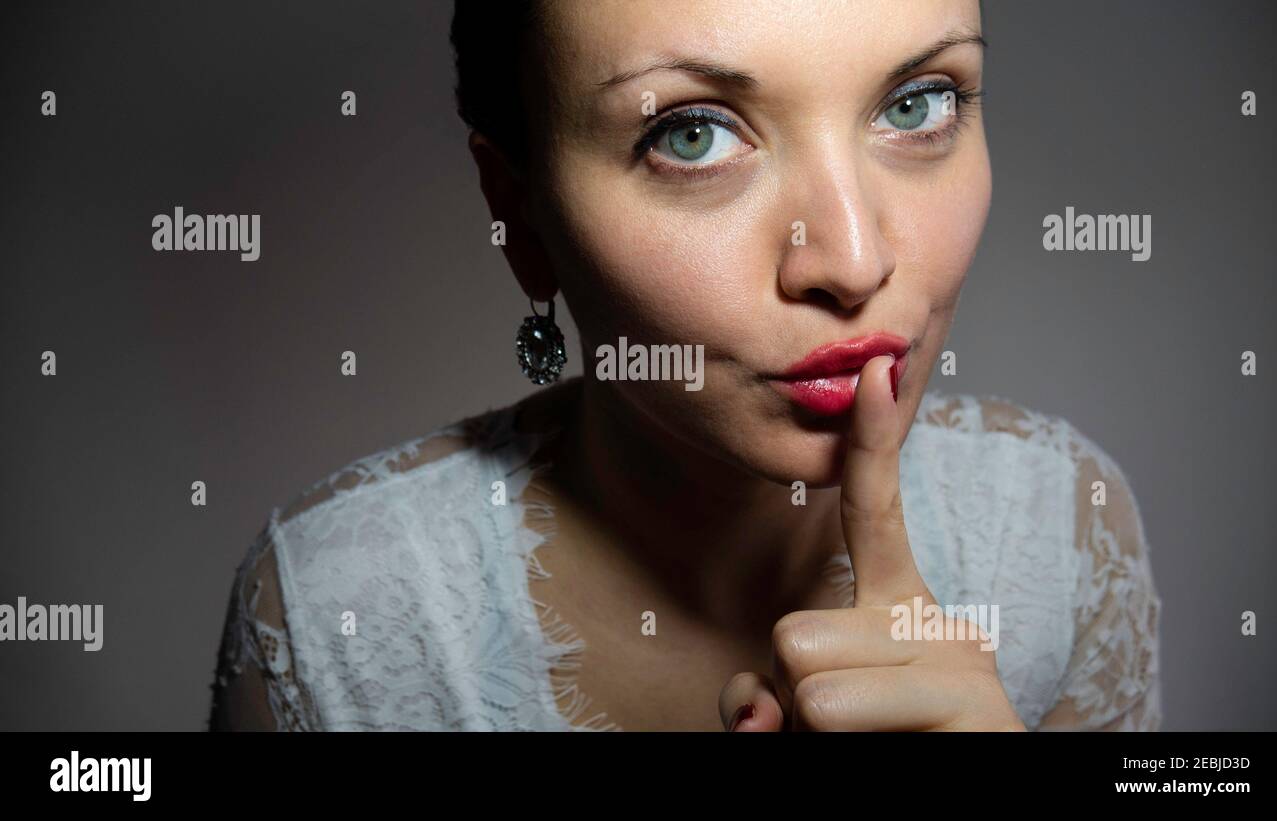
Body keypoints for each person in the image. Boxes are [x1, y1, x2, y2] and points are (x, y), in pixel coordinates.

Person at [209, 0, 1161, 731]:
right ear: (520, 211)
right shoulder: (335, 612)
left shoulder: (1065, 529)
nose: (855, 258)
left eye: (918, 104)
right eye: (692, 134)